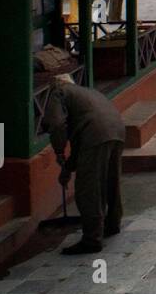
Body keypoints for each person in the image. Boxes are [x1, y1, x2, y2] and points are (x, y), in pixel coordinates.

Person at [41, 75, 126, 255]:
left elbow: (56, 124)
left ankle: (92, 239)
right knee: (111, 181)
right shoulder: (86, 92)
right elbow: (80, 145)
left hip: (97, 134)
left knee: (89, 188)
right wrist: (68, 168)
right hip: (117, 129)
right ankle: (113, 224)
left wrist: (58, 150)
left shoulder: (58, 92)